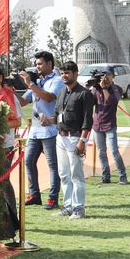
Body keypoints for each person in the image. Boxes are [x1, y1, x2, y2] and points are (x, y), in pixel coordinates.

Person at [21, 51, 62, 209]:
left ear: (49, 64)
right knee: (28, 161)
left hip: (50, 130)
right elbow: (24, 101)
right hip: (35, 131)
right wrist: (8, 89)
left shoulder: (56, 80)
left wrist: (30, 84)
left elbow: (48, 97)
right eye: (36, 64)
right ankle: (35, 194)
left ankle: (53, 198)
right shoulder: (37, 82)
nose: (37, 67)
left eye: (40, 64)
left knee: (53, 165)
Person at [53, 61, 94, 217]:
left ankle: (78, 208)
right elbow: (57, 115)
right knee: (64, 174)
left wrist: (82, 141)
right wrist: (47, 120)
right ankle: (68, 206)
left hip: (75, 137)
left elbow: (87, 120)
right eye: (62, 73)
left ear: (76, 74)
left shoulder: (84, 94)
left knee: (76, 174)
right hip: (61, 137)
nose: (64, 75)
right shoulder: (62, 92)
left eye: (67, 73)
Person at [89, 68, 127, 184]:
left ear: (113, 76)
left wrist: (104, 88)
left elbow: (112, 101)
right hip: (97, 125)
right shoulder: (96, 89)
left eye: (109, 75)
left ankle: (123, 177)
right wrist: (87, 88)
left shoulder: (117, 89)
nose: (106, 77)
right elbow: (90, 103)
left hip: (110, 124)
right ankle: (106, 177)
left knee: (114, 151)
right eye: (104, 75)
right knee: (101, 152)